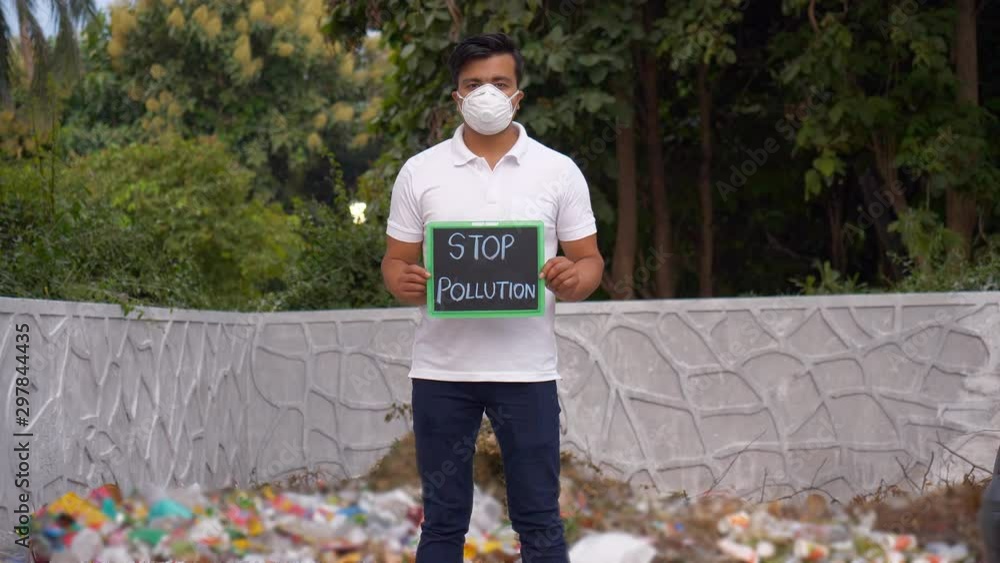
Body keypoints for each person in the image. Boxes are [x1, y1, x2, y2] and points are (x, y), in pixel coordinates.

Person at [380, 32, 604, 563]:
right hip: (440, 372)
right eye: (473, 84)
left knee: (540, 521)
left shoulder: (558, 170)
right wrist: (401, 279)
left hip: (527, 373)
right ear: (456, 97)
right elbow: (395, 261)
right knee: (441, 522)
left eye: (498, 83)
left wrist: (577, 278)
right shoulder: (420, 171)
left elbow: (590, 261)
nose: (486, 93)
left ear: (517, 94)